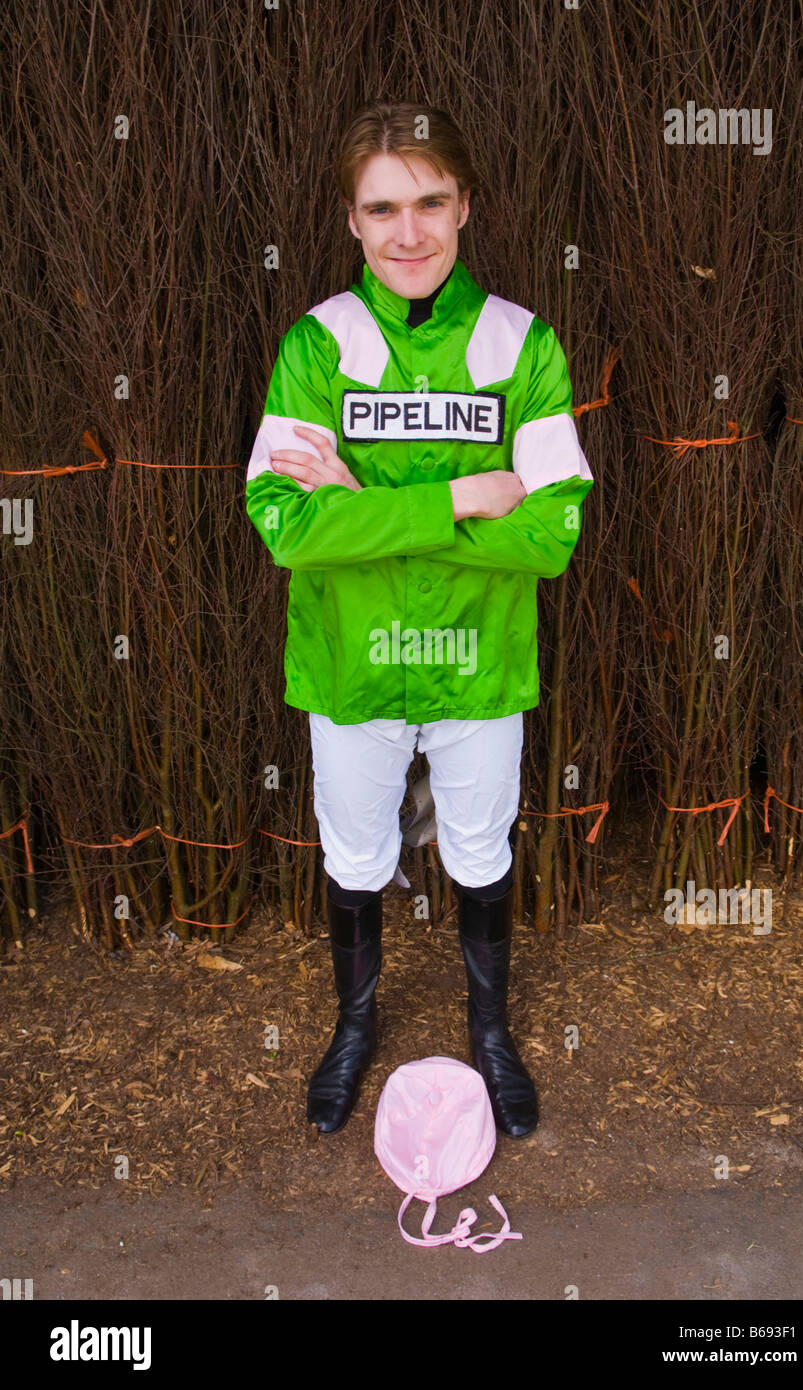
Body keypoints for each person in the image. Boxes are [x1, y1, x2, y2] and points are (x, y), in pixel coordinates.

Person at [245, 101, 593, 1139]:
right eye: (383, 207)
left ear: (464, 206)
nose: (409, 232)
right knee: (353, 860)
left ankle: (491, 1032)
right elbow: (283, 528)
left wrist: (362, 504)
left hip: (479, 662)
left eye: (430, 202)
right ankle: (355, 1026)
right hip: (349, 660)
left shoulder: (524, 344)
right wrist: (457, 497)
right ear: (351, 221)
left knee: (479, 853)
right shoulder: (317, 346)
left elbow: (551, 538)